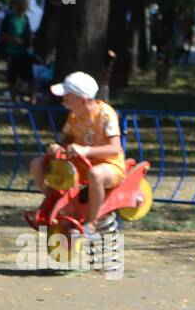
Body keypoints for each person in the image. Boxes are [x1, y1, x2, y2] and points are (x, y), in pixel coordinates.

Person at [29, 71, 125, 236]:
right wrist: (58, 147)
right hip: (80, 164)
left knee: (96, 174)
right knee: (37, 164)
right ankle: (53, 202)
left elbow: (114, 148)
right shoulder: (74, 116)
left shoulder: (105, 114)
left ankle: (92, 222)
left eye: (68, 95)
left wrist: (85, 150)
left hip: (109, 165)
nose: (64, 98)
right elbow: (67, 140)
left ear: (82, 99)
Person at [0, 0, 36, 102]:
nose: (22, 9)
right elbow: (2, 35)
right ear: (16, 6)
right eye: (21, 6)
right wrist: (13, 39)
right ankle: (14, 101)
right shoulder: (9, 18)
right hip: (12, 52)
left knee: (30, 78)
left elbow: (28, 34)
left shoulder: (26, 18)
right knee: (12, 78)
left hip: (25, 52)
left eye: (24, 7)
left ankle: (32, 101)